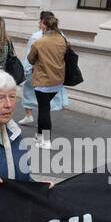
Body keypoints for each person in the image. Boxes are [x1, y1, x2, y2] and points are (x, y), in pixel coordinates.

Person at [26, 12, 67, 149]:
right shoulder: (62, 40)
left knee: (44, 110)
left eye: (41, 23)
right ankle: (38, 137)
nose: (39, 25)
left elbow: (30, 59)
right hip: (58, 81)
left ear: (44, 25)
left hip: (43, 81)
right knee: (44, 108)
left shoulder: (39, 42)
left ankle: (47, 140)